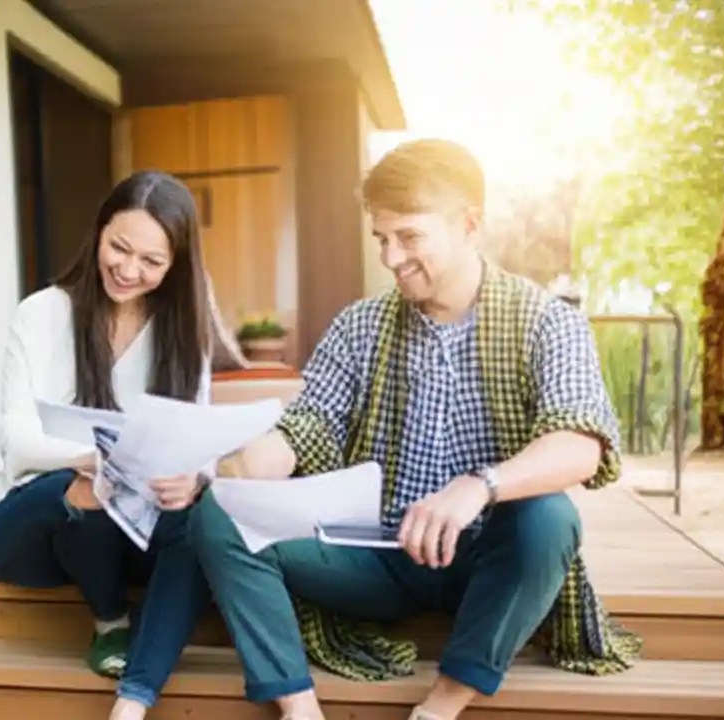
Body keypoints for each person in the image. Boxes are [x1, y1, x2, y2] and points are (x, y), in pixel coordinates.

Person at [190, 139, 641, 720]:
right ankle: (299, 708)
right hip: (375, 555)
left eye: (410, 237)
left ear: (470, 225)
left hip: (488, 556)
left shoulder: (547, 322)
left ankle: (442, 705)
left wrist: (477, 486)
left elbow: (581, 444)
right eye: (382, 238)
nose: (391, 257)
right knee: (222, 511)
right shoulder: (361, 324)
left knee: (551, 517)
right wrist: (232, 467)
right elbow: (307, 427)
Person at [0, 170, 214, 720]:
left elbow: (196, 441)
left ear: (175, 265)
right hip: (32, 525)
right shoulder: (43, 313)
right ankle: (110, 620)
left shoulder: (183, 330)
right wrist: (87, 458)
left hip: (133, 531)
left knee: (204, 524)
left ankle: (134, 700)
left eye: (151, 262)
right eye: (119, 248)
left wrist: (194, 476)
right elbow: (13, 438)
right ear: (98, 232)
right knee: (78, 486)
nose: (129, 270)